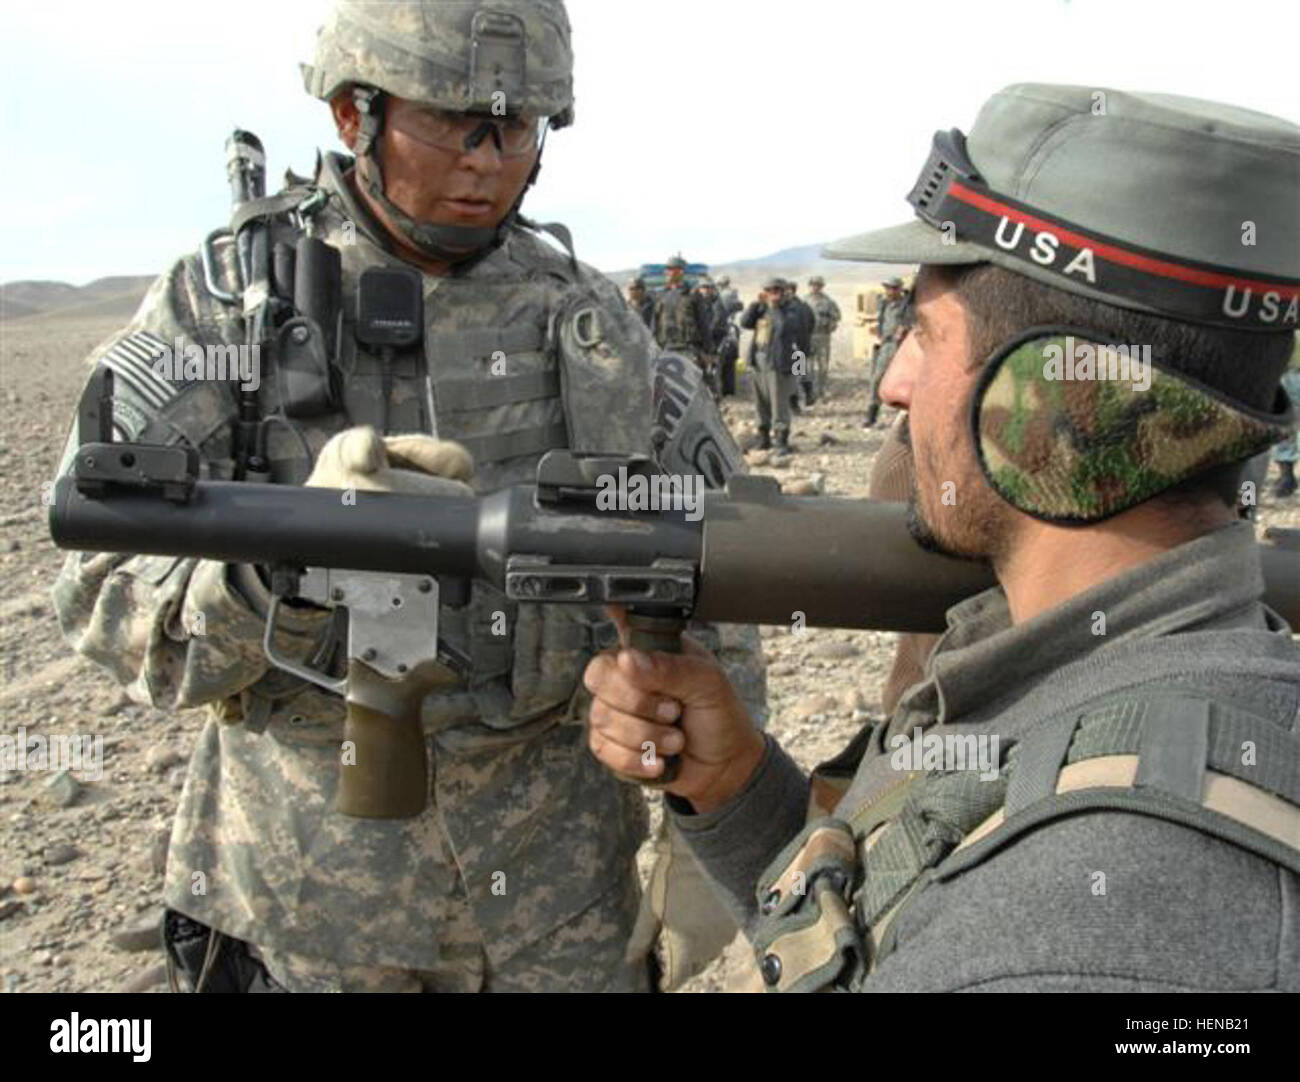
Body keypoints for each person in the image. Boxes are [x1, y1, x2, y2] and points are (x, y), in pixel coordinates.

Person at [50, 0, 763, 994]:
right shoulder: (223, 314)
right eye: (451, 122)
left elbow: (714, 580)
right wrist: (272, 570)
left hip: (563, 913)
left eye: (514, 128)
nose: (485, 160)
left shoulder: (593, 324)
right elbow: (104, 601)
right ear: (353, 113)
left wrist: (709, 830)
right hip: (312, 913)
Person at [583, 83, 1300, 992]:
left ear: (1046, 407)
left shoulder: (1082, 942)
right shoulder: (1087, 666)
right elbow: (900, 928)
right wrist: (735, 790)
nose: (891, 385)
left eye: (923, 336)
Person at [739, 276, 805, 457]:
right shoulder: (762, 309)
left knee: (778, 403)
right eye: (769, 291)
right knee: (761, 403)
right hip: (759, 360)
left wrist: (775, 308)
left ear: (784, 293)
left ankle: (781, 439)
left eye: (776, 291)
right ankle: (763, 437)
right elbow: (745, 323)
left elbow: (784, 328)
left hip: (779, 363)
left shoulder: (792, 310)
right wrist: (755, 305)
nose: (772, 295)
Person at [652, 255, 713, 394]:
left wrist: (708, 351)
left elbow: (703, 324)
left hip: (688, 349)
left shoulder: (692, 294)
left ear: (681, 272)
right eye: (669, 269)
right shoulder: (659, 296)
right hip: (665, 349)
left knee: (690, 390)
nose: (672, 272)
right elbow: (653, 325)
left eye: (676, 269)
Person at [862, 275, 911, 427]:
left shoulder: (907, 306)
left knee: (904, 381)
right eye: (888, 288)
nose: (889, 291)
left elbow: (913, 323)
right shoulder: (884, 304)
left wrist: (905, 329)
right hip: (886, 345)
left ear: (899, 290)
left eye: (893, 288)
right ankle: (872, 413)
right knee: (877, 379)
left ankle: (905, 419)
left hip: (902, 346)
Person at [805, 275, 841, 400]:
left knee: (823, 365)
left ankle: (822, 389)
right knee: (808, 365)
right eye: (813, 285)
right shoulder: (805, 301)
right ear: (810, 286)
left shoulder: (828, 302)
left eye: (818, 285)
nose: (815, 287)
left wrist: (831, 324)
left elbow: (836, 316)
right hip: (808, 336)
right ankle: (809, 391)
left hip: (823, 336)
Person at [783, 279, 817, 409]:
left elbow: (809, 325)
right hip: (797, 346)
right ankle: (806, 397)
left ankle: (796, 403)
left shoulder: (798, 308)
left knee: (796, 375)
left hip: (796, 346)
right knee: (800, 373)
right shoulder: (802, 306)